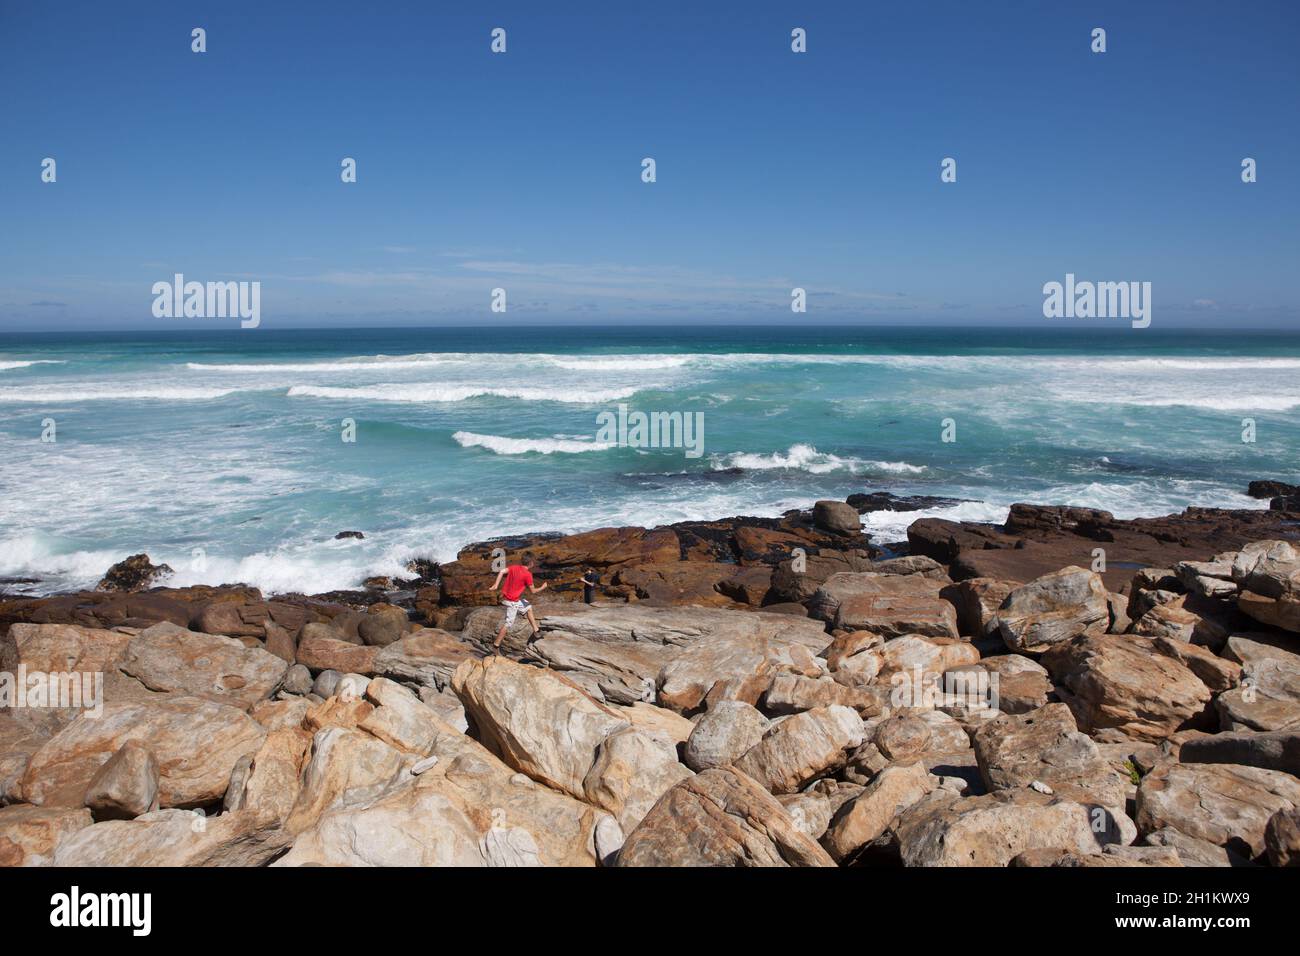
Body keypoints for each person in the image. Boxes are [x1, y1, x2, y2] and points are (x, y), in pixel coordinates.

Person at [491, 553, 547, 653]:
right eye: (533, 561)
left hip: (507, 597)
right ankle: (496, 645)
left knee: (528, 607)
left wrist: (496, 585)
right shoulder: (528, 575)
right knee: (508, 624)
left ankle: (536, 631)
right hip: (512, 601)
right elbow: (533, 591)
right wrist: (543, 587)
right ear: (530, 563)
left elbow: (502, 571)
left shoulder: (514, 567)